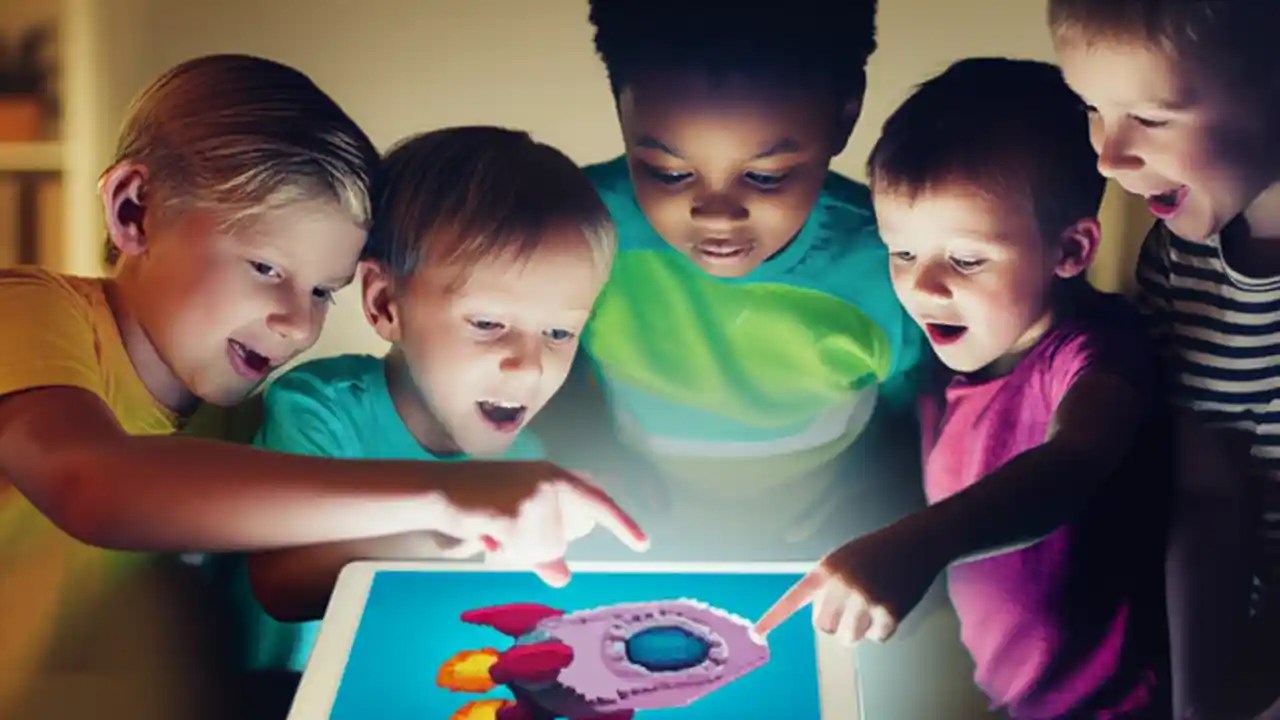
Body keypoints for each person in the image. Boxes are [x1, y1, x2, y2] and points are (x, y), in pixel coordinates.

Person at [0, 55, 643, 720]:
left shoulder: (232, 425)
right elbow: (93, 485)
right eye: (265, 267)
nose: (298, 324)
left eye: (320, 292)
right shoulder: (27, 311)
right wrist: (454, 499)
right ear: (134, 209)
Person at [758, 58, 1172, 719]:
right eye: (903, 253)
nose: (923, 285)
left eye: (966, 259)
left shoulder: (1092, 354)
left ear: (1070, 250)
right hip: (1011, 700)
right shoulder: (946, 361)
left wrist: (920, 544)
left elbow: (1073, 463)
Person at [1050, 1, 1280, 715]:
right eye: (1093, 108)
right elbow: (1209, 496)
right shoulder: (1180, 261)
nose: (1107, 156)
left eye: (1149, 117)